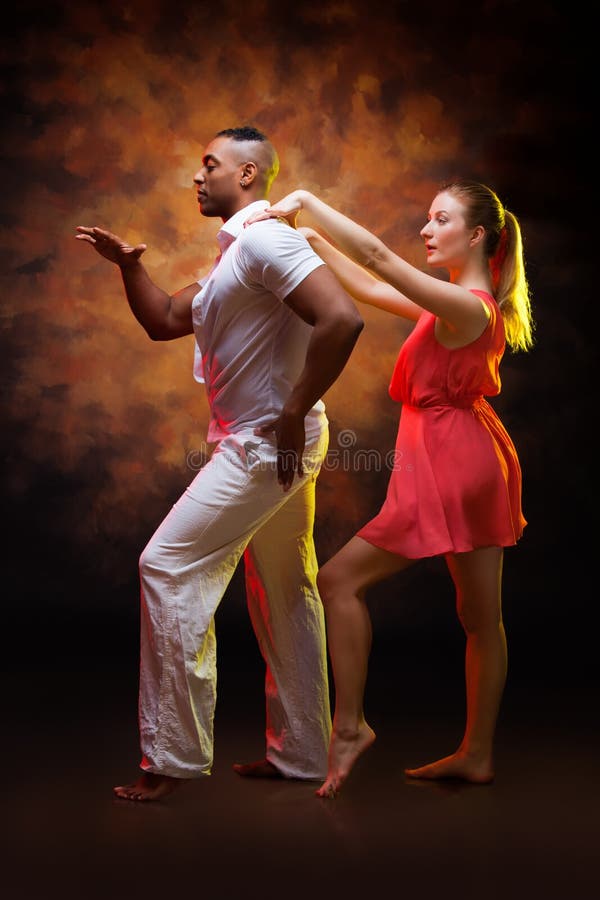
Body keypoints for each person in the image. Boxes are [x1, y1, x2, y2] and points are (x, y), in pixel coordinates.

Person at [75, 126, 364, 801]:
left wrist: (293, 409)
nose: (198, 176)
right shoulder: (233, 257)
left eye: (211, 165)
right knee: (284, 587)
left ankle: (170, 759)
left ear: (248, 174)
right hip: (269, 438)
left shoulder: (265, 240)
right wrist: (129, 266)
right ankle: (302, 753)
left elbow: (342, 319)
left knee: (166, 565)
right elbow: (165, 319)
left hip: (268, 441)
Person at [247, 179, 534, 798]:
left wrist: (306, 200)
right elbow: (372, 286)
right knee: (480, 619)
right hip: (470, 459)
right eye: (428, 218)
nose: (426, 229)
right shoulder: (453, 302)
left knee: (338, 582)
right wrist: (314, 241)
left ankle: (351, 726)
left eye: (441, 219)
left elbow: (379, 260)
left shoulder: (468, 307)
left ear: (476, 235)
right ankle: (476, 755)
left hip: (453, 466)